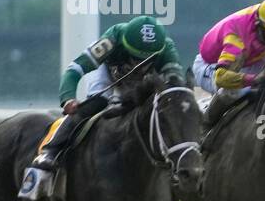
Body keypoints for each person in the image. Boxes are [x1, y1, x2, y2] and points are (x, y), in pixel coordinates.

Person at [32, 16, 187, 171]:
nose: (140, 64)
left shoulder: (167, 49)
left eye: (147, 60)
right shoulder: (113, 38)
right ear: (125, 45)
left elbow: (177, 85)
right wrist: (68, 98)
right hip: (108, 75)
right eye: (135, 57)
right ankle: (51, 151)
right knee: (97, 104)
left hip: (145, 83)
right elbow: (75, 69)